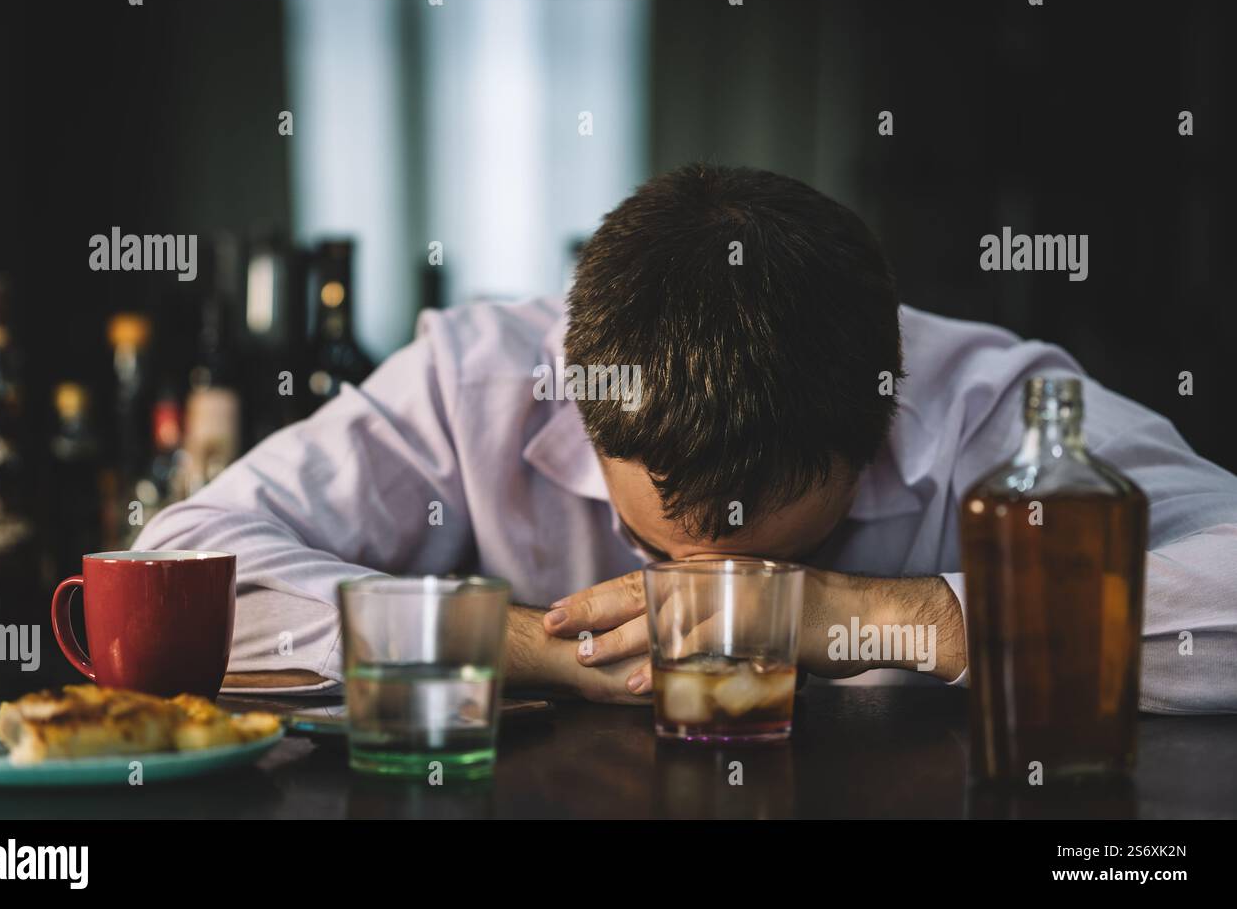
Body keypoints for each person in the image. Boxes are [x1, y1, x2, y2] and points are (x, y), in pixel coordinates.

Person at [133, 164, 1237, 712]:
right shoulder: (479, 377)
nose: (702, 628)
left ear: (878, 422)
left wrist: (887, 617)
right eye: (662, 560)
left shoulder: (994, 404)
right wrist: (522, 643)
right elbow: (169, 574)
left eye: (776, 566)